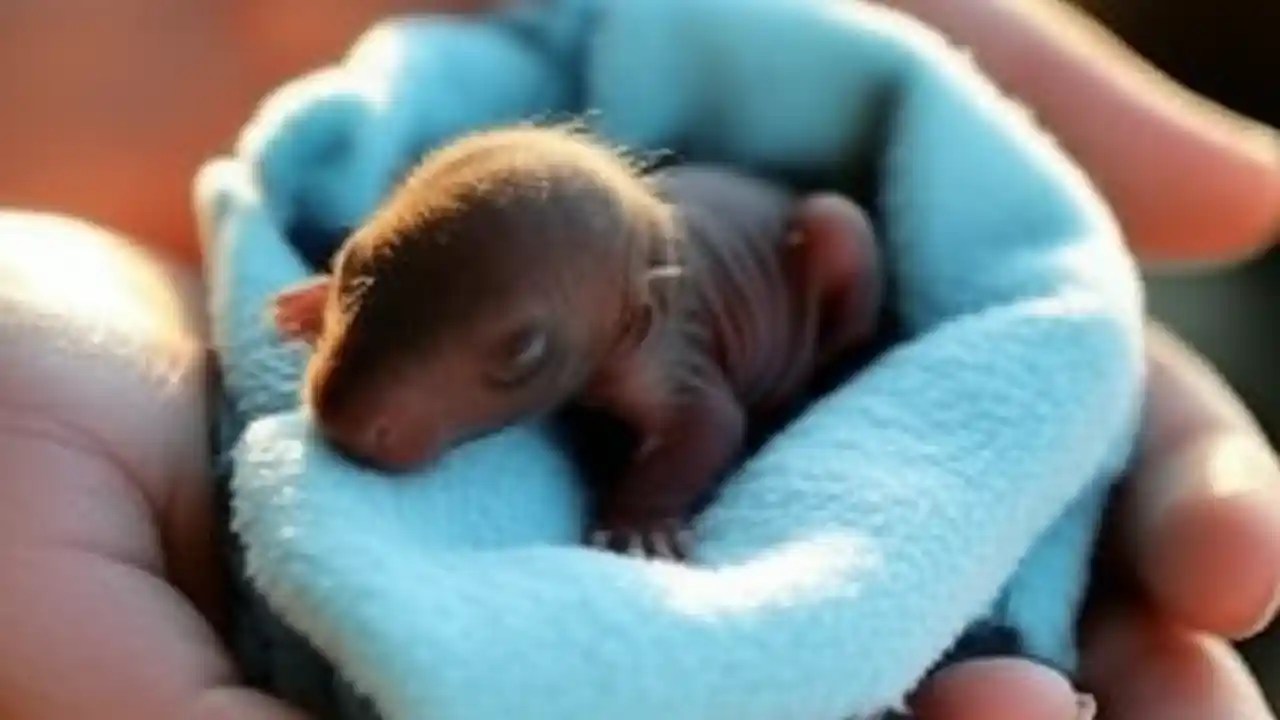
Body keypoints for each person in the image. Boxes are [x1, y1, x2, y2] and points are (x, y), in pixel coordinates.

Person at [0, 0, 1276, 718]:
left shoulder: (658, 356)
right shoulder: (444, 225)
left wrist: (645, 506)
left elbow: (700, 424)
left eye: (515, 361)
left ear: (615, 328)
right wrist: (342, 300)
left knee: (831, 243)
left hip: (780, 291)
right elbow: (426, 263)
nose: (370, 425)